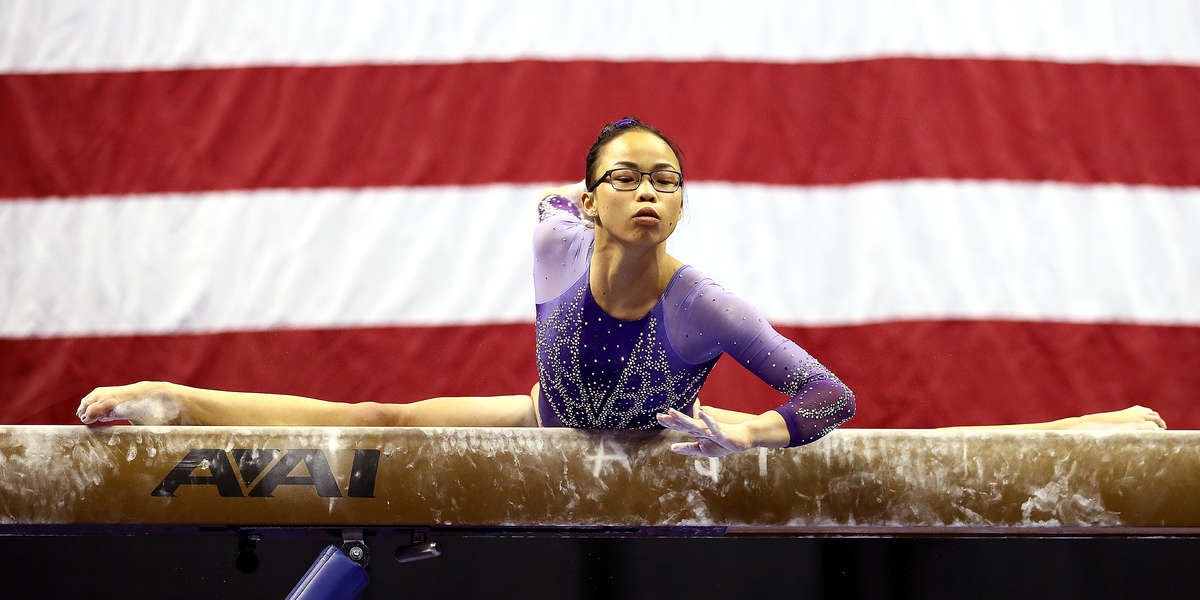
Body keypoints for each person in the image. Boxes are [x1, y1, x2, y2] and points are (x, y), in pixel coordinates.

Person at [76, 117, 1165, 455]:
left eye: (668, 181)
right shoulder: (556, 239)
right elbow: (551, 202)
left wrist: (756, 433)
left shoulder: (704, 303)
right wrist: (575, 195)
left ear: (682, 205)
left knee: (899, 460)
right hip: (550, 418)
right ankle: (173, 399)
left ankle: (1102, 431)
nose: (651, 193)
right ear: (595, 198)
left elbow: (832, 395)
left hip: (660, 440)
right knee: (381, 419)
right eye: (629, 179)